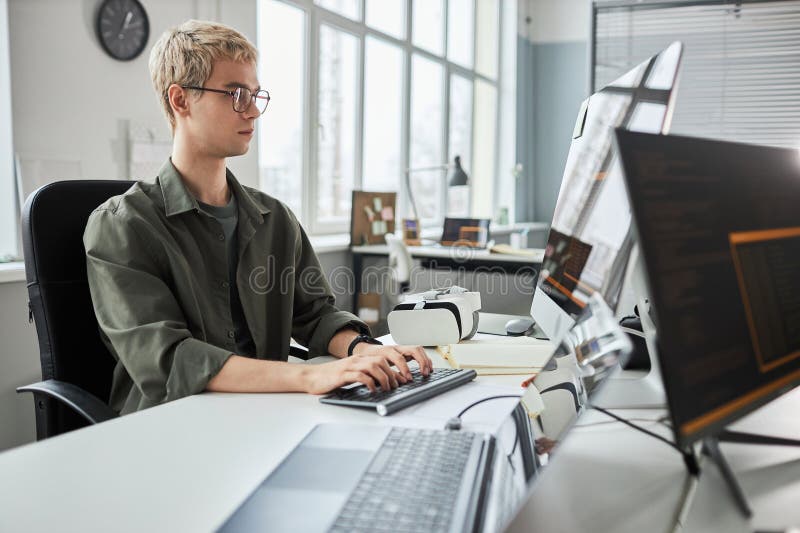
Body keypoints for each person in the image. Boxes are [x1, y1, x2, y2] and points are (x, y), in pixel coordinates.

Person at [84, 20, 431, 414]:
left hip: (265, 412)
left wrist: (363, 351)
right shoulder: (122, 225)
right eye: (234, 94)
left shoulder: (275, 219)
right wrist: (310, 378)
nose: (252, 111)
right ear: (180, 100)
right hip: (171, 427)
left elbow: (315, 314)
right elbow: (169, 361)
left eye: (254, 95)